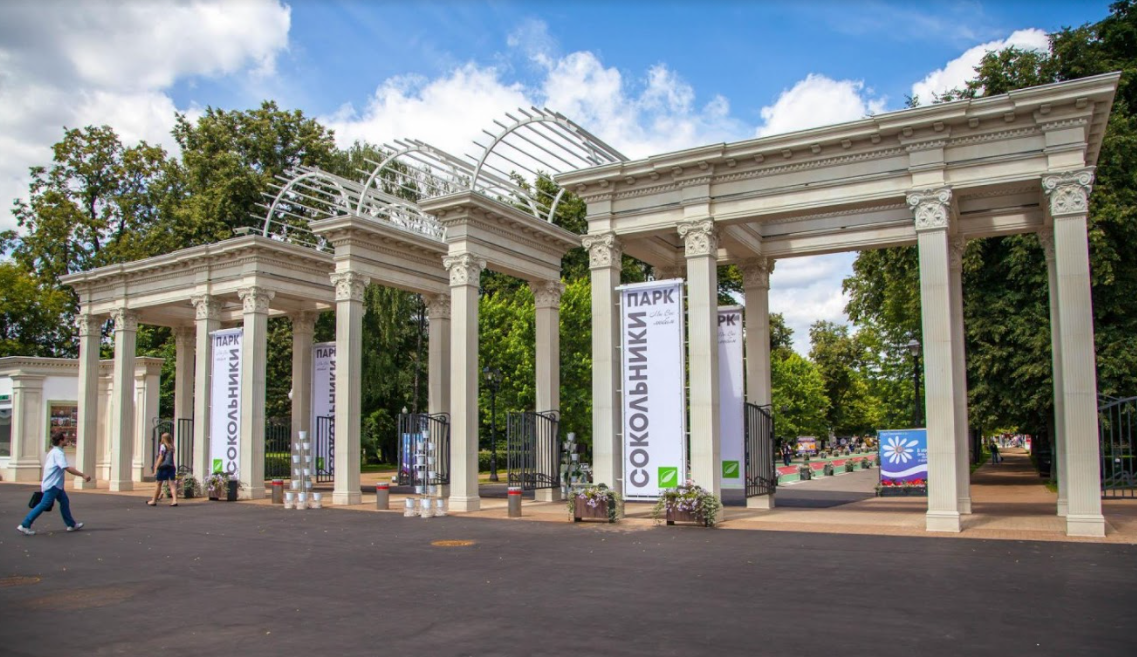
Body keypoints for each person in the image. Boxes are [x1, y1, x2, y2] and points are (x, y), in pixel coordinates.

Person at [17, 432, 91, 536]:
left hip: (56, 485)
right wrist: (83, 475)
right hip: (53, 485)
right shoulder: (58, 453)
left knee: (64, 501)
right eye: (65, 439)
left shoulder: (53, 452)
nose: (67, 441)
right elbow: (67, 468)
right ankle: (25, 524)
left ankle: (71, 524)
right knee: (44, 504)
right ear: (61, 440)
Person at [148, 432, 178, 507]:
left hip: (163, 467)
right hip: (171, 466)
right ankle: (174, 500)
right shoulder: (172, 447)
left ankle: (154, 500)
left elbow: (161, 457)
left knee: (158, 483)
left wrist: (156, 466)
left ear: (163, 439)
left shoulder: (163, 446)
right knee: (172, 484)